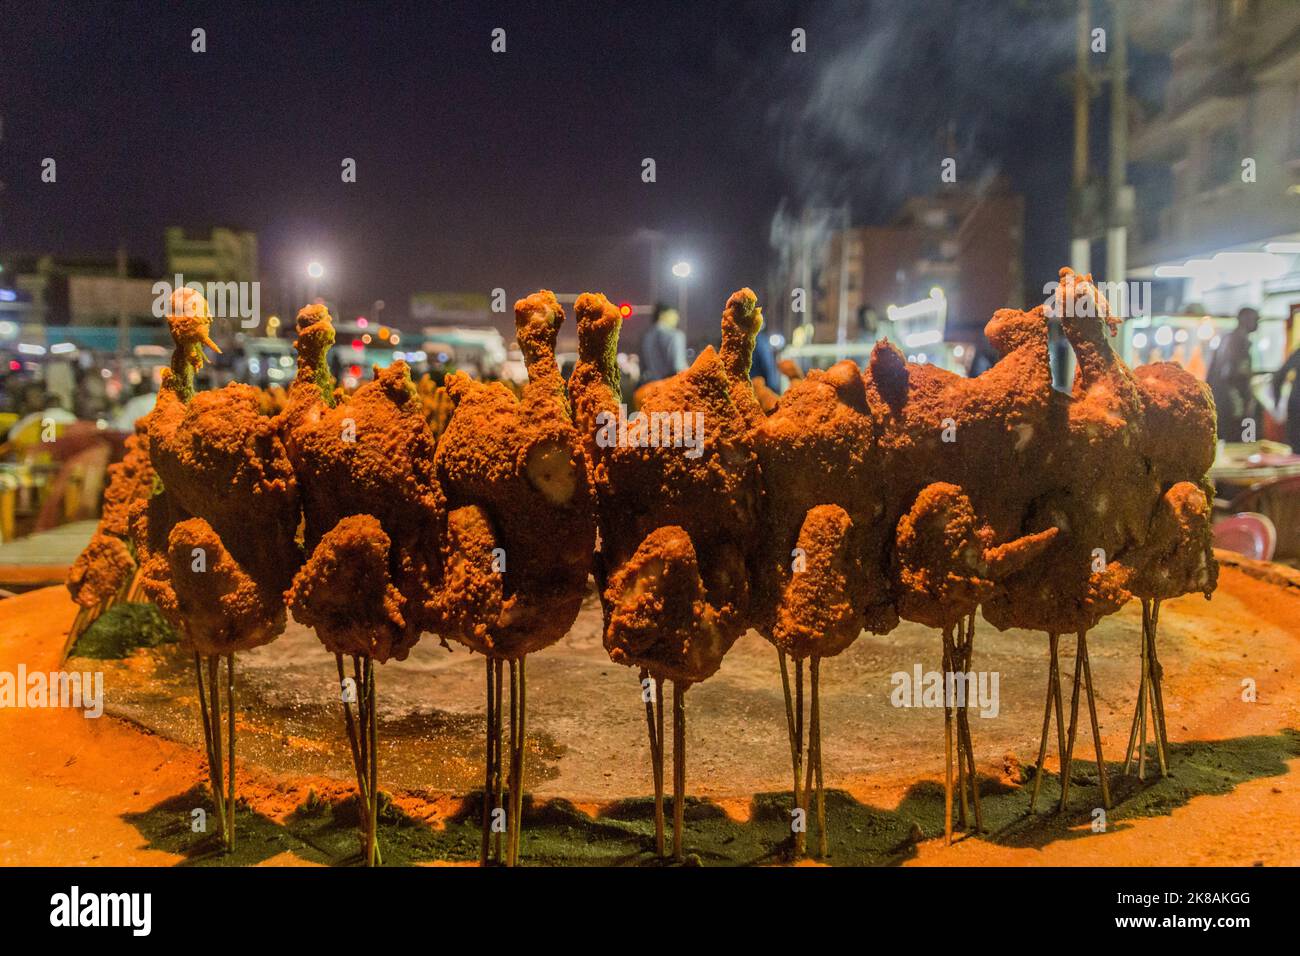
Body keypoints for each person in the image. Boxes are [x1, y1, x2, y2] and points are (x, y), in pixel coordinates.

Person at [1207, 307, 1260, 441]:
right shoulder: (1238, 341)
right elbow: (1230, 374)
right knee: (1237, 441)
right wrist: (1245, 400)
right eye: (1255, 319)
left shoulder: (1229, 339)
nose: (1257, 323)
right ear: (1244, 319)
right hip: (1232, 403)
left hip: (1224, 400)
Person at [639, 303, 687, 384]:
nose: (677, 318)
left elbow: (642, 367)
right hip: (670, 388)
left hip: (650, 388)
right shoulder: (675, 336)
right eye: (674, 314)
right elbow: (679, 367)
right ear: (662, 315)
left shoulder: (646, 337)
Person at [1274, 340, 1300, 451]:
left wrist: (1276, 403)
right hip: (1296, 406)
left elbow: (1277, 378)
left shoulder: (1298, 353)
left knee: (1295, 450)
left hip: (1296, 405)